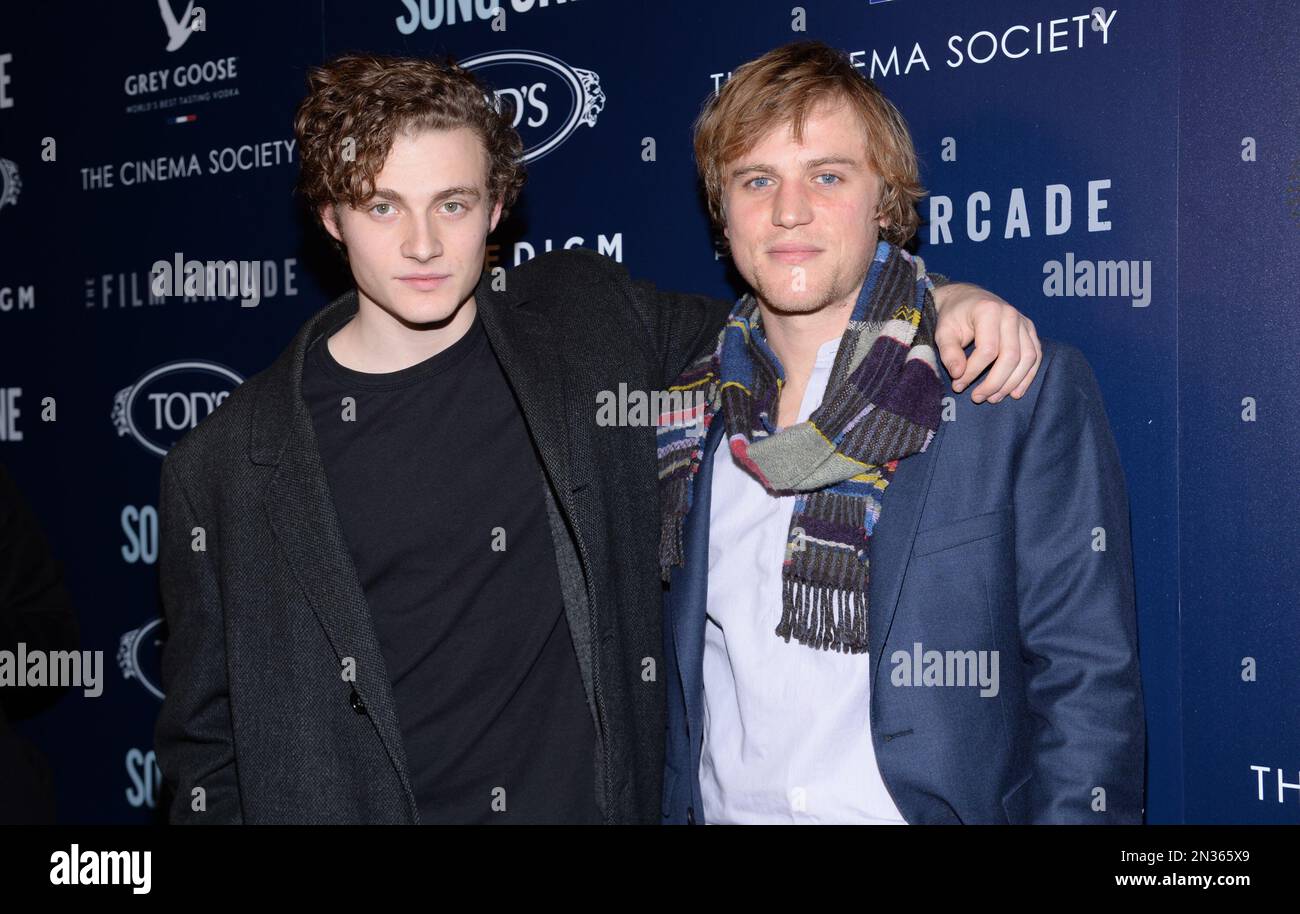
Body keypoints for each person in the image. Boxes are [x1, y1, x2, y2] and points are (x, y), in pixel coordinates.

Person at [154, 52, 1041, 824]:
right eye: (382, 207)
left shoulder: (585, 322)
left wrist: (942, 298)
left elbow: (786, 319)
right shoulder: (228, 466)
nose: (422, 244)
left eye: (452, 203)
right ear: (329, 216)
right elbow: (207, 752)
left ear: (498, 206)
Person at [659, 41, 1145, 825]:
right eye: (757, 180)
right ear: (723, 211)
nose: (789, 210)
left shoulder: (1006, 388)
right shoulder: (684, 411)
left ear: (883, 199)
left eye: (827, 175)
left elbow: (1086, 684)